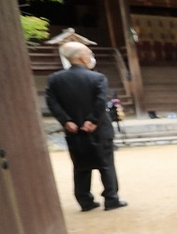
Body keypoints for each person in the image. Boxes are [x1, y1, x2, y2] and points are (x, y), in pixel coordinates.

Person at [45, 42, 127, 211]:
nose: (91, 57)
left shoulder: (55, 79)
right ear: (82, 57)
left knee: (80, 165)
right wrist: (92, 120)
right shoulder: (97, 78)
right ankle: (111, 199)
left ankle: (85, 201)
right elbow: (100, 100)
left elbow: (52, 102)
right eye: (89, 54)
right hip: (99, 129)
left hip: (73, 130)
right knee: (106, 164)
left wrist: (66, 121)